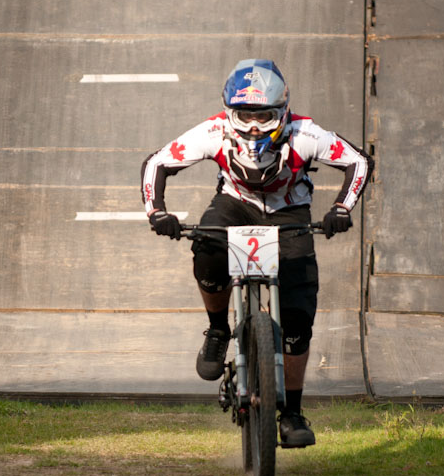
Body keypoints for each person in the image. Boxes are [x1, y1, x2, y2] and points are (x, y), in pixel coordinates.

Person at [140, 58, 372, 448]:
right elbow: (157, 163)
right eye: (244, 115)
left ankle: (292, 413)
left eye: (263, 116)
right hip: (234, 205)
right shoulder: (214, 130)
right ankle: (218, 328)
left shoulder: (305, 133)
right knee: (207, 248)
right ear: (228, 111)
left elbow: (358, 161)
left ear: (282, 111)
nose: (252, 126)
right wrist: (157, 213)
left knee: (297, 318)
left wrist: (341, 208)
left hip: (289, 212)